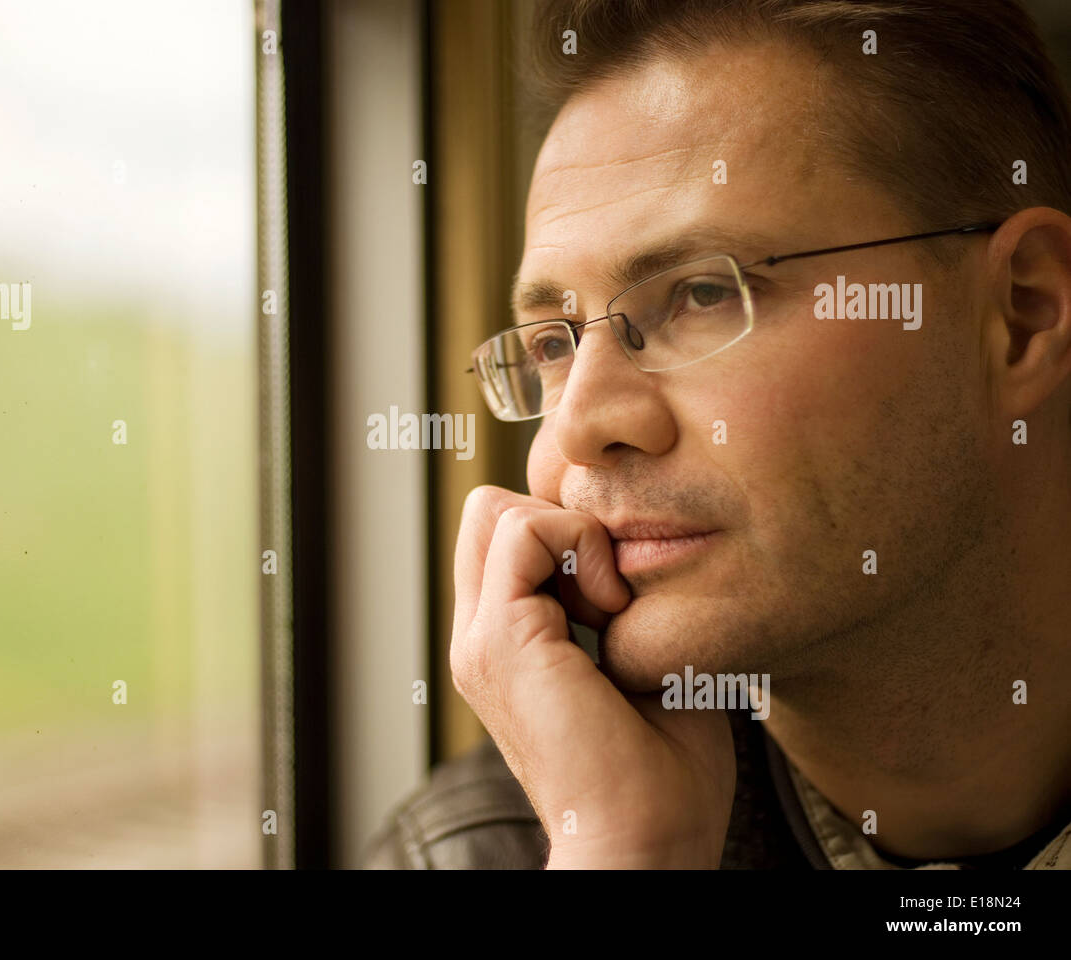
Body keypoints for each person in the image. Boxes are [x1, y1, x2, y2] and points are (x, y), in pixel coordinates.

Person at [364, 0, 1071, 869]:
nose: (578, 429)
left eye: (703, 294)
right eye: (553, 341)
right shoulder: (480, 851)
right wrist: (632, 853)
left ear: (1024, 314)